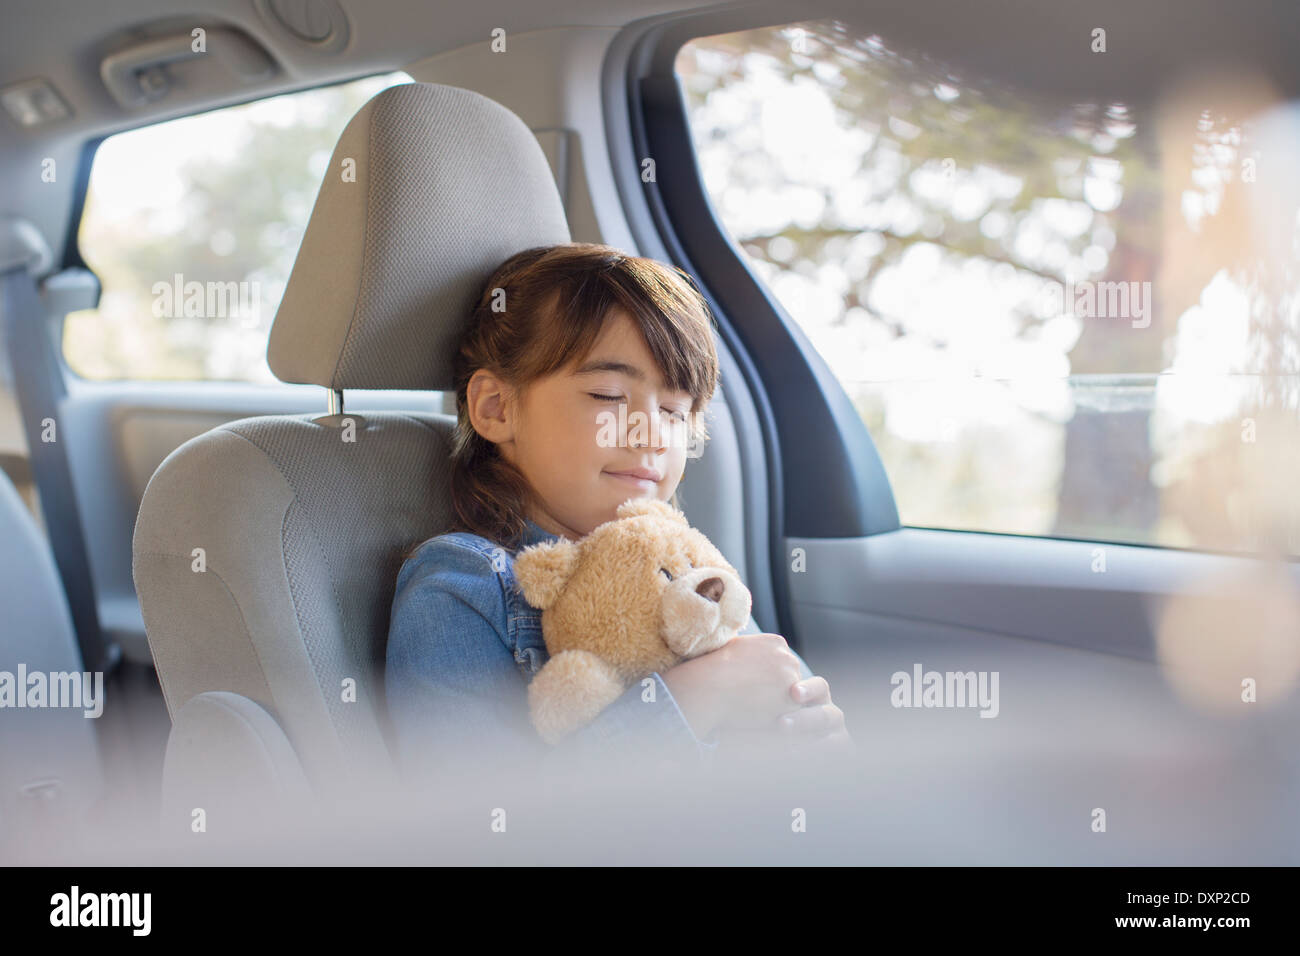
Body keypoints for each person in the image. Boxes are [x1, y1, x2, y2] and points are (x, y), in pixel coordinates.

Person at [384, 243, 851, 788]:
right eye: (608, 395)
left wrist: (812, 734)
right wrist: (690, 701)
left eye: (676, 412)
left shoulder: (692, 570)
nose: (651, 433)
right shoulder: (466, 588)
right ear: (496, 407)